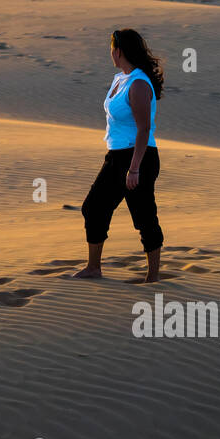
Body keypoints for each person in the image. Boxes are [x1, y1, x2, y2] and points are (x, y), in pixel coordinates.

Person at [73, 28, 165, 282]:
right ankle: (93, 267)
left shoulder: (138, 84)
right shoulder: (119, 79)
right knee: (93, 207)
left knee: (144, 215)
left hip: (139, 157)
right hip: (115, 156)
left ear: (118, 51)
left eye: (111, 49)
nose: (110, 53)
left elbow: (144, 128)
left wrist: (134, 168)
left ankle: (153, 277)